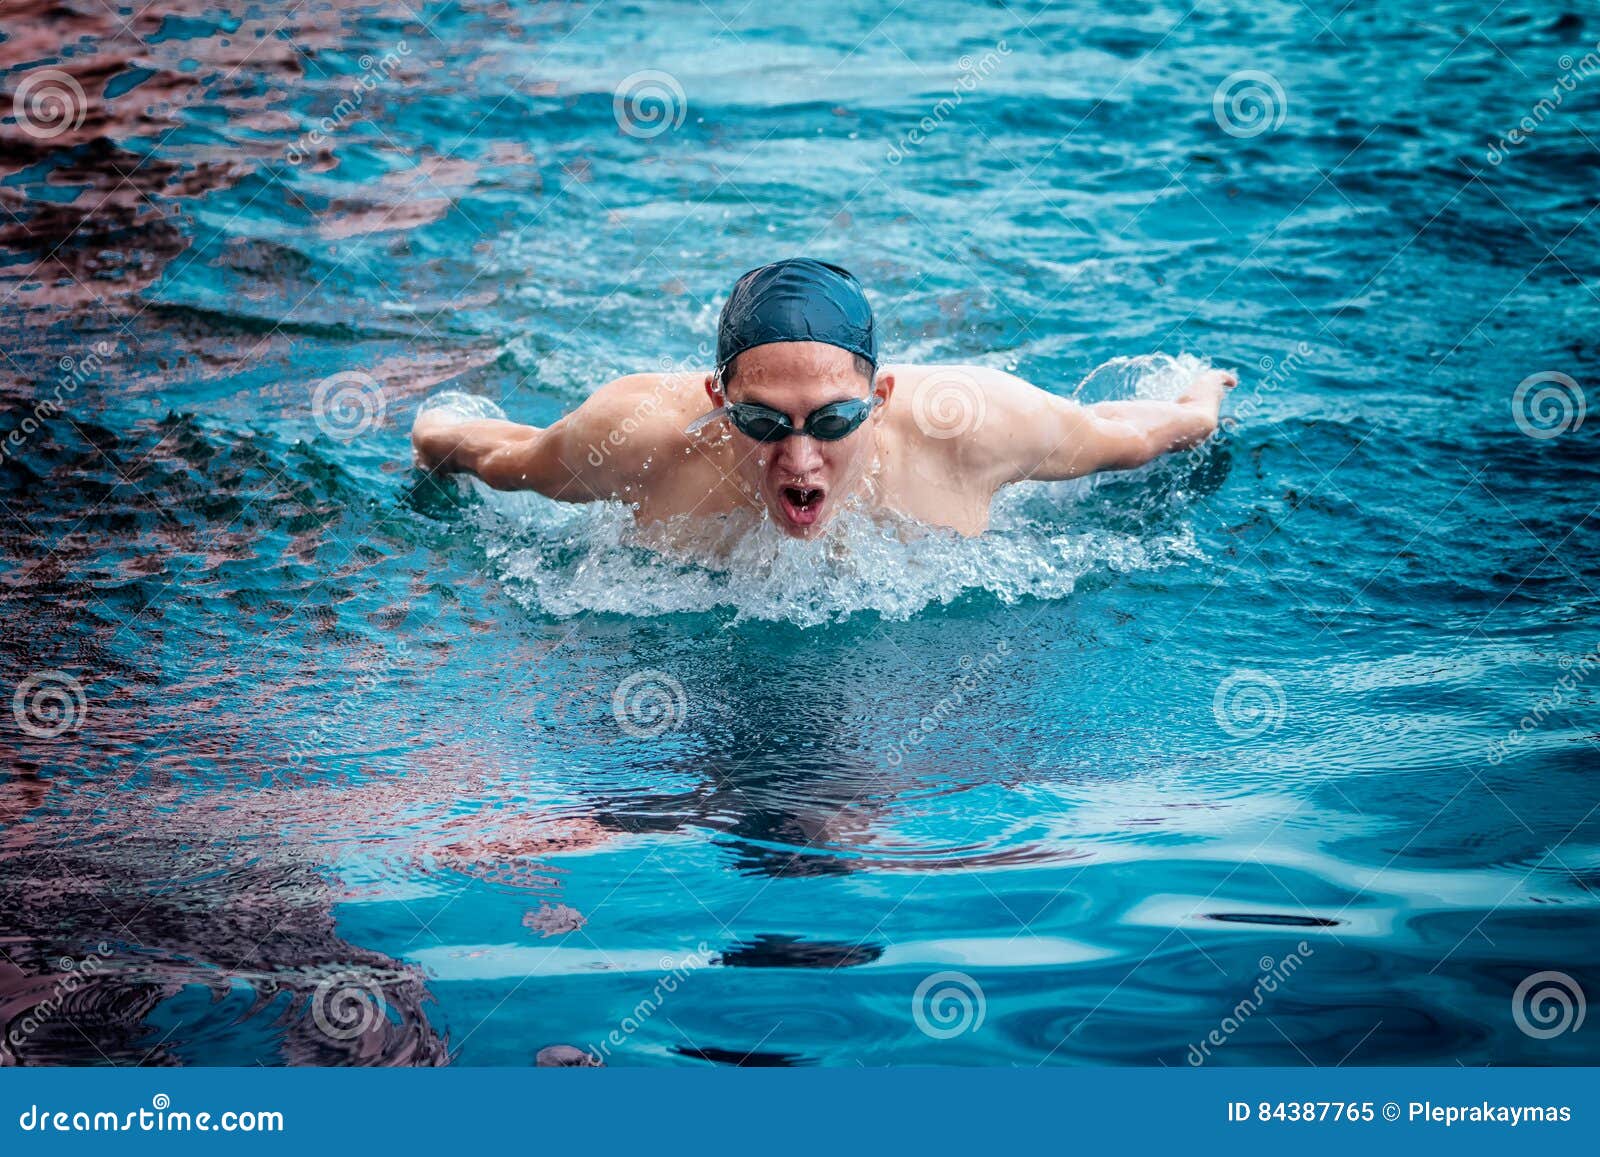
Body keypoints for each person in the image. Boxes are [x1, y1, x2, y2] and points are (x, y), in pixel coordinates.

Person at [410, 258, 1236, 539]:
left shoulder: (977, 427)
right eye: (762, 422)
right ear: (715, 397)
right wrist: (431, 437)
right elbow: (497, 453)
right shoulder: (635, 437)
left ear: (881, 396)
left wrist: (1197, 409)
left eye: (833, 419)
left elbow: (1119, 433)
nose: (798, 459)